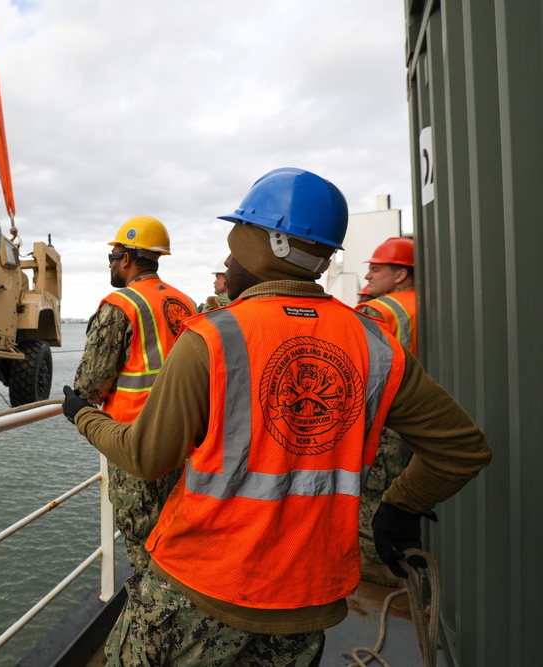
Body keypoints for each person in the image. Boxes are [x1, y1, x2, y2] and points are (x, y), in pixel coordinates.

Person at [62, 168, 491, 665]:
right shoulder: (376, 346)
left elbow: (145, 456)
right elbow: (463, 448)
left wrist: (83, 417)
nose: (226, 259)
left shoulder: (213, 338)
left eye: (235, 245)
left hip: (199, 588)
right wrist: (401, 506)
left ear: (273, 247)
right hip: (306, 601)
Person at [72, 215, 196, 570]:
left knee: (144, 546)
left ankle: (152, 616)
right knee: (174, 537)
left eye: (112, 257)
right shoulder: (184, 302)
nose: (111, 265)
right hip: (182, 441)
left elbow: (90, 386)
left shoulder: (121, 304)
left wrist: (76, 400)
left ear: (126, 258)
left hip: (134, 445)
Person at [354, 236, 418, 585]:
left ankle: (376, 564)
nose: (369, 278)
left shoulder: (379, 310)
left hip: (387, 419)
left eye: (376, 270)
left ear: (399, 274)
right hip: (417, 414)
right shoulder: (424, 303)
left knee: (378, 492)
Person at [357, 237, 416, 354]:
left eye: (375, 270)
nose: (367, 276)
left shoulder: (376, 309)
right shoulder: (435, 302)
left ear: (400, 275)